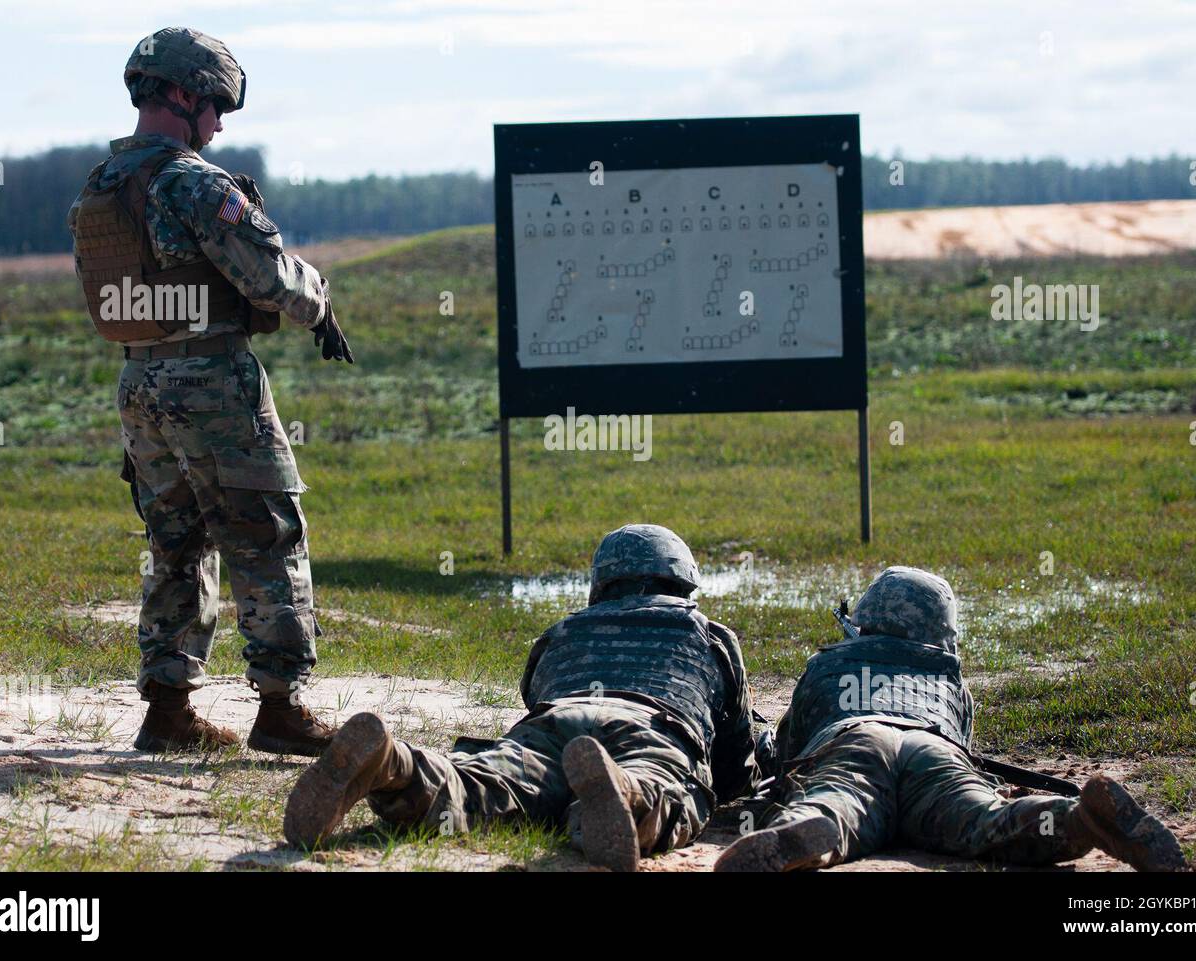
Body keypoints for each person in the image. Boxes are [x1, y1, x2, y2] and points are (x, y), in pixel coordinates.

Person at [69, 27, 354, 756]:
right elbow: (266, 277)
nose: (220, 123)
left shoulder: (102, 187)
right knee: (267, 529)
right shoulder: (194, 182)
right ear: (181, 95)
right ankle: (283, 706)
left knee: (176, 539)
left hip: (140, 381)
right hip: (212, 383)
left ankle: (168, 709)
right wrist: (318, 300)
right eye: (215, 106)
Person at [283, 524, 765, 871]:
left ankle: (395, 765)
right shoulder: (709, 634)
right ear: (682, 580)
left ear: (601, 583)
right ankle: (626, 793)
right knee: (668, 793)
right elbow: (733, 761)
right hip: (651, 727)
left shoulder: (563, 631)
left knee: (481, 785)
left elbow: (534, 695)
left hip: (554, 722)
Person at [715, 566, 1185, 873]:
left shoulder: (827, 665)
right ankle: (1080, 819)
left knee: (838, 804)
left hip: (853, 743)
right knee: (984, 818)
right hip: (933, 748)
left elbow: (786, 755)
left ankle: (806, 830)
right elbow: (962, 745)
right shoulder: (949, 677)